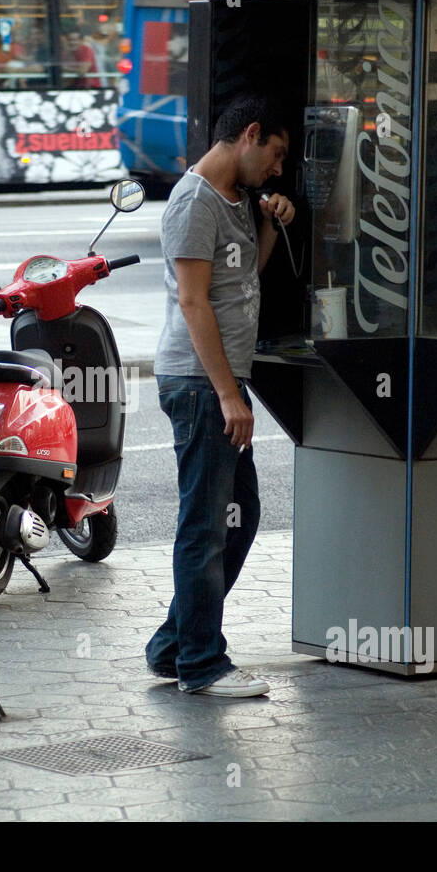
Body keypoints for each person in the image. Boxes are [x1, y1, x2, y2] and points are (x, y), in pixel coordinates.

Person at [146, 93, 295, 698]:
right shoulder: (192, 202)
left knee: (242, 515)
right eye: (276, 154)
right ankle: (202, 664)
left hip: (222, 384)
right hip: (200, 383)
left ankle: (174, 644)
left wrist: (267, 221)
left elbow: (242, 277)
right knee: (205, 524)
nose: (279, 168)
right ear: (249, 135)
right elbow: (193, 300)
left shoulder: (236, 201)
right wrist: (229, 395)